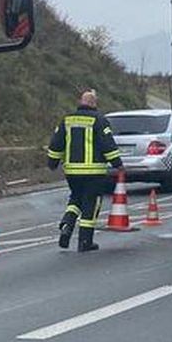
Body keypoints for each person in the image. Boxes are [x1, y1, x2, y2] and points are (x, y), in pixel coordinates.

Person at [45, 89, 126, 252]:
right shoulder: (99, 120)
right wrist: (118, 164)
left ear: (81, 102)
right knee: (91, 204)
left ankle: (67, 222)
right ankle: (85, 241)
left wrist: (52, 163)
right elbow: (107, 144)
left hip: (72, 172)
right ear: (94, 103)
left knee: (75, 199)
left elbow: (56, 143)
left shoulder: (67, 120)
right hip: (94, 173)